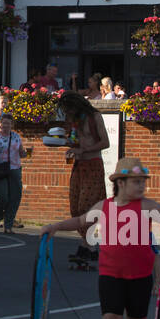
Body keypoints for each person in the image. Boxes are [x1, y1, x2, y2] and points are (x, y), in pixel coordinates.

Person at [43, 157, 160, 319]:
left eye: (142, 182)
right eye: (136, 182)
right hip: (110, 274)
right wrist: (55, 226)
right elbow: (80, 221)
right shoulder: (104, 207)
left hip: (140, 275)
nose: (141, 186)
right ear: (121, 183)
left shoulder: (147, 206)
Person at [60, 92, 110, 259]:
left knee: (87, 206)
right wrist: (65, 144)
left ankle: (86, 246)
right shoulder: (74, 121)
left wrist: (83, 150)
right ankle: (89, 246)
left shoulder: (94, 117)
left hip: (93, 164)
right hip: (79, 165)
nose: (67, 114)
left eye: (69, 109)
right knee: (75, 207)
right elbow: (74, 141)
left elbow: (105, 142)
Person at [0, 112, 30, 233]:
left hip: (15, 169)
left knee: (15, 197)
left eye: (8, 123)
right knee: (3, 197)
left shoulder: (16, 137)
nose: (6, 125)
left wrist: (26, 153)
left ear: (12, 124)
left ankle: (8, 225)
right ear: (0, 123)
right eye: (3, 123)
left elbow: (21, 153)